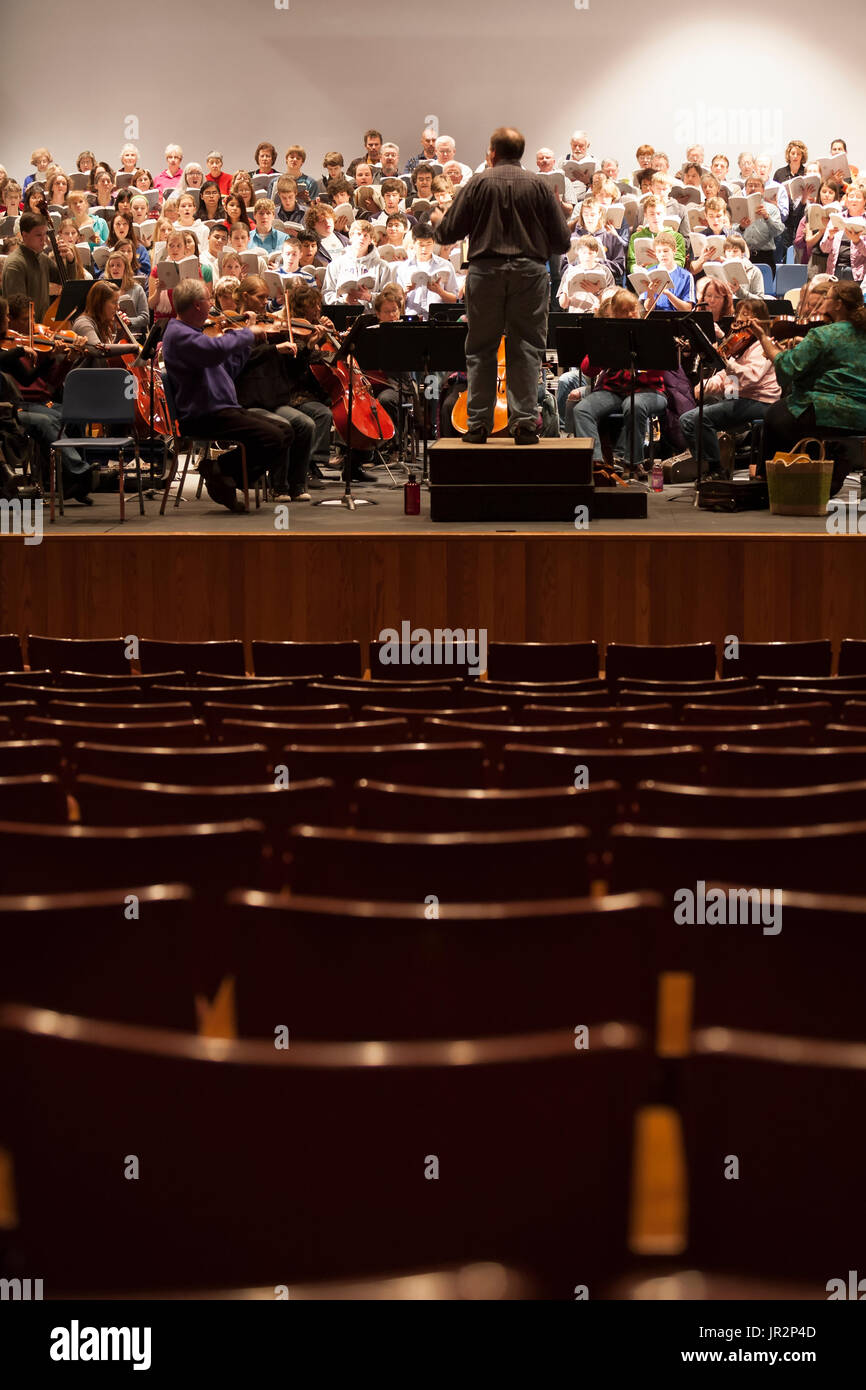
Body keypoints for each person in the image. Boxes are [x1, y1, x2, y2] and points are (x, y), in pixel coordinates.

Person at [433, 126, 569, 445]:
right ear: (521, 153)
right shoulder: (539, 185)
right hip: (531, 273)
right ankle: (524, 425)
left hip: (486, 271)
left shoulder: (478, 182)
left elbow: (448, 233)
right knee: (527, 347)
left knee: (481, 349)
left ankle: (478, 425)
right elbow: (562, 242)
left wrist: (440, 222)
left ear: (492, 152)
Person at [161, 277, 298, 510]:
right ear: (197, 304)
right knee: (272, 437)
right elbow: (215, 351)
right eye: (208, 299)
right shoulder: (179, 334)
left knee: (285, 432)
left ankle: (222, 474)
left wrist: (245, 338)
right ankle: (222, 472)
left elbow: (228, 369)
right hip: (203, 415)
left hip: (222, 409)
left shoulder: (194, 333)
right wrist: (247, 333)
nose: (212, 305)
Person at [755, 281, 866, 489]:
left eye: (827, 298)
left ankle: (770, 481)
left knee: (775, 415)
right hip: (863, 412)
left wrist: (763, 338)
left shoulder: (823, 334)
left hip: (830, 411)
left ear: (838, 305)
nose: (823, 302)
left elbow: (787, 368)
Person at [571, 288, 667, 480]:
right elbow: (588, 370)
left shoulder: (649, 333)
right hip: (614, 390)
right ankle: (596, 464)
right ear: (615, 315)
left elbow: (660, 369)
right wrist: (601, 345)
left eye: (633, 309)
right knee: (581, 410)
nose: (632, 314)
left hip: (650, 391)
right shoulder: (610, 335)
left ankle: (633, 462)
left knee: (634, 405)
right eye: (625, 311)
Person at [680, 299, 780, 478]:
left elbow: (751, 378)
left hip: (762, 402)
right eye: (739, 314)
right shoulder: (740, 346)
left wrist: (727, 363)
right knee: (688, 419)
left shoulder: (763, 345)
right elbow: (729, 382)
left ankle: (715, 469)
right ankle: (709, 466)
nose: (740, 319)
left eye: (747, 315)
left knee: (697, 419)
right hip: (741, 398)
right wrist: (705, 386)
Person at [2, 213, 50, 319]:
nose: (44, 239)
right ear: (25, 235)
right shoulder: (15, 264)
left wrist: (70, 260)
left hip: (39, 327)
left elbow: (65, 281)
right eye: (38, 235)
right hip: (24, 329)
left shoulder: (42, 258)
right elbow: (18, 310)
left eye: (45, 234)